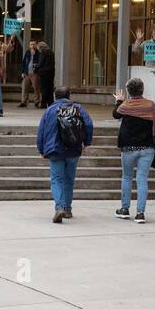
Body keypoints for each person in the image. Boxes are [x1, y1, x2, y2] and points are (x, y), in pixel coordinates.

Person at [36, 86, 93, 223]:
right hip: (73, 148)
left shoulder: (49, 110)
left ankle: (59, 207)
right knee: (69, 179)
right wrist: (87, 142)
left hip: (54, 149)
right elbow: (89, 124)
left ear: (55, 96)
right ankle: (67, 208)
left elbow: (41, 132)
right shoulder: (78, 108)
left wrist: (41, 149)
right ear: (69, 95)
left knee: (56, 179)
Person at [113, 78, 155, 224]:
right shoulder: (150, 105)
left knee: (127, 177)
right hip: (147, 148)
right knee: (142, 179)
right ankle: (140, 213)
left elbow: (115, 114)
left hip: (128, 147)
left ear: (129, 91)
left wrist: (119, 100)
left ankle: (124, 209)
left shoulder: (126, 105)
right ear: (142, 90)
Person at [36, 40, 56, 107]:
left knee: (44, 88)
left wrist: (36, 67)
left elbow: (41, 63)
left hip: (44, 73)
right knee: (50, 88)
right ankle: (50, 102)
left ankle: (43, 103)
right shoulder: (51, 52)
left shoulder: (43, 53)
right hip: (51, 72)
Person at [19, 39, 39, 108]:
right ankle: (24, 101)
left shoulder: (38, 53)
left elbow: (39, 62)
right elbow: (24, 63)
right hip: (27, 73)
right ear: (29, 45)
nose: (32, 46)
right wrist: (22, 72)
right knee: (24, 87)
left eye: (33, 44)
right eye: (31, 44)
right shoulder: (27, 52)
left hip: (34, 73)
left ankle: (36, 102)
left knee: (36, 88)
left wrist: (35, 55)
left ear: (36, 45)